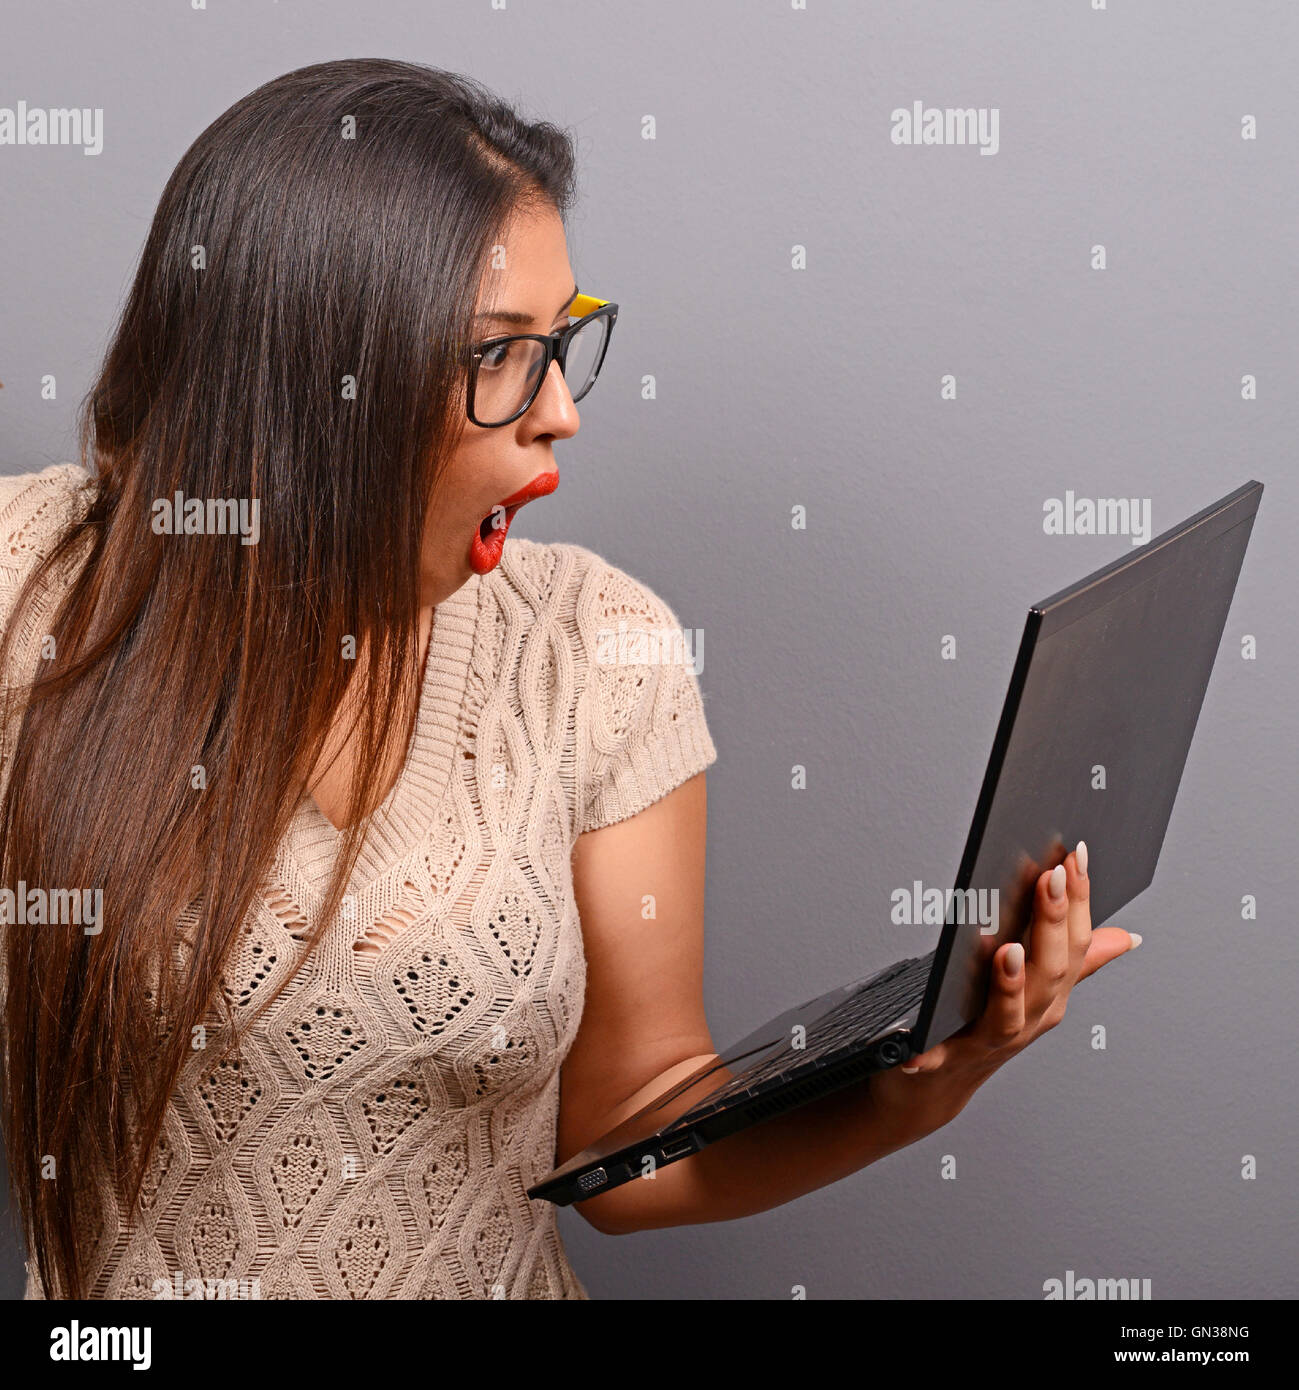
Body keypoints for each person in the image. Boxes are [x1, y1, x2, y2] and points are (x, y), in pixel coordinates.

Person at [0, 58, 1137, 1301]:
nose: (560, 412)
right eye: (499, 355)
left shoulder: (603, 647)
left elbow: (632, 1137)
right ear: (314, 380)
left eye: (560, 344)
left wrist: (935, 1075)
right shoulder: (32, 592)